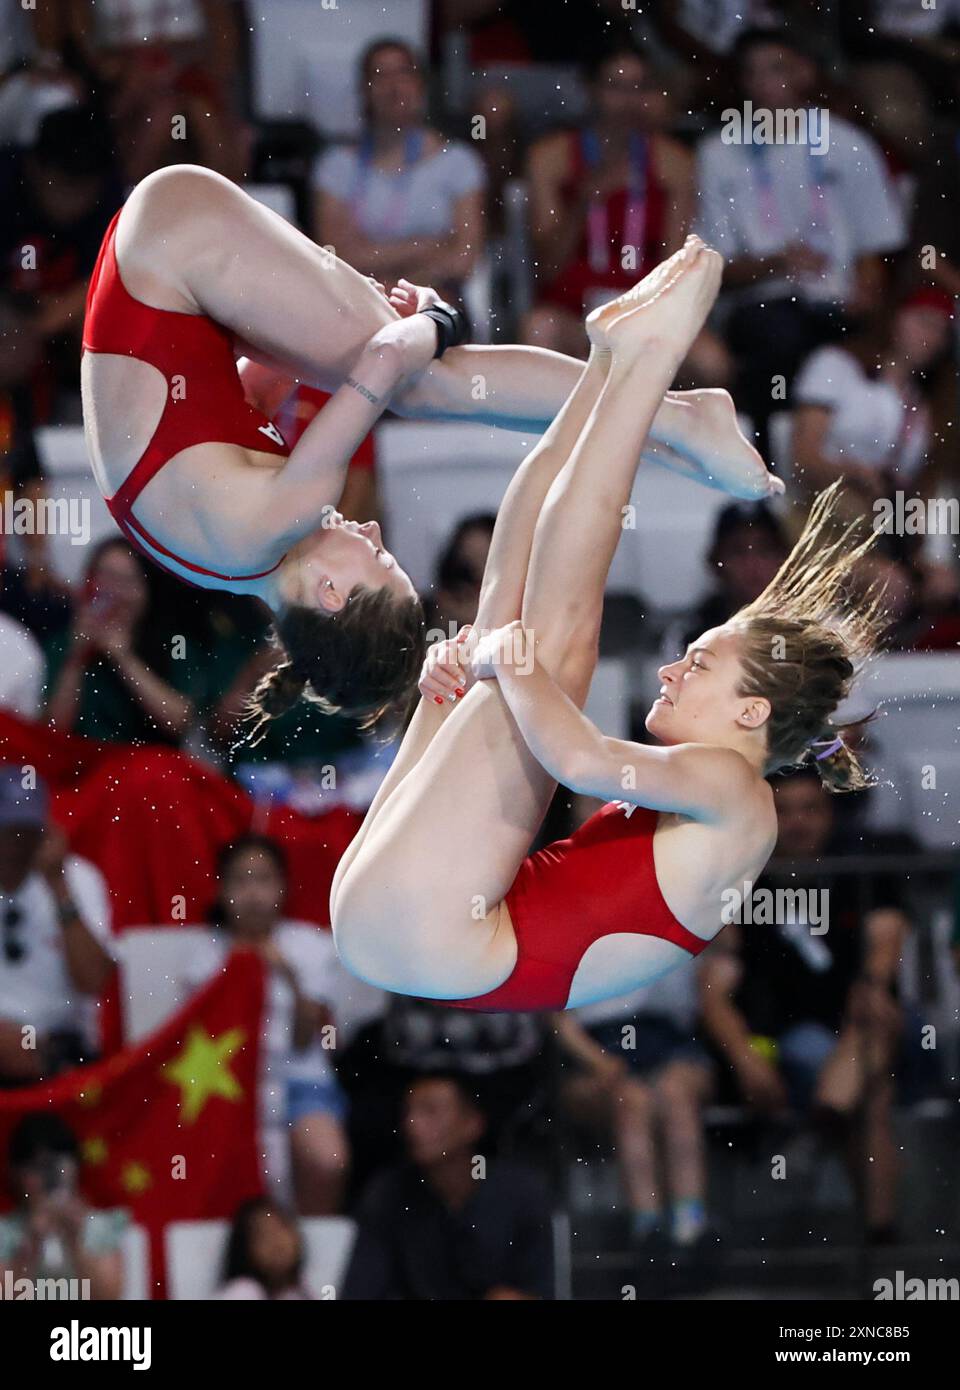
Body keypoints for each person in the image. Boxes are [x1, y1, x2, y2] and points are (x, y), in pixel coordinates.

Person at [329, 238, 881, 1018]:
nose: (669, 672)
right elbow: (573, 755)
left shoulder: (737, 791)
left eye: (697, 665)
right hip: (409, 923)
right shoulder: (729, 788)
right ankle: (615, 368)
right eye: (691, 660)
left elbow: (584, 758)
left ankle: (646, 374)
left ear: (751, 711)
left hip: (433, 930)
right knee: (517, 632)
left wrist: (508, 670)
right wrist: (443, 701)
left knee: (546, 657)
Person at [81, 162, 775, 727]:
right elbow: (242, 390)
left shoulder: (280, 518)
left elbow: (384, 360)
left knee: (419, 383)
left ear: (329, 594)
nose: (376, 528)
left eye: (379, 558)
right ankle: (667, 419)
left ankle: (678, 417)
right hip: (161, 264)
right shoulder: (224, 564)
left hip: (174, 242)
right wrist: (351, 319)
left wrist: (435, 317)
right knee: (405, 368)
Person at [700, 768, 915, 1241]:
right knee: (872, 1097)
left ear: (830, 813)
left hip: (873, 1025)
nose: (798, 822)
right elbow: (714, 991)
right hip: (789, 1039)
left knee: (874, 1018)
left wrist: (873, 984)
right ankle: (882, 1242)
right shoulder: (743, 884)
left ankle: (825, 1117)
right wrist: (746, 1059)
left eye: (810, 809)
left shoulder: (862, 867)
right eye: (784, 811)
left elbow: (886, 942)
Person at [695, 27, 907, 449]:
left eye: (776, 69)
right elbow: (713, 267)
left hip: (837, 301)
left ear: (805, 73)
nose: (763, 84)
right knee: (783, 334)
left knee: (856, 334)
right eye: (752, 73)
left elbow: (876, 245)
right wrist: (777, 263)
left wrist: (867, 285)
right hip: (759, 304)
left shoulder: (848, 145)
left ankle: (827, 456)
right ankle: (770, 459)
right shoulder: (718, 154)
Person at [179, 835, 350, 1216]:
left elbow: (309, 1039)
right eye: (240, 881)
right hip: (228, 1084)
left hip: (300, 1081)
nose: (253, 893)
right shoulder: (204, 957)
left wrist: (286, 974)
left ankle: (314, 1257)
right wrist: (235, 971)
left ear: (283, 887)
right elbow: (193, 1043)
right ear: (222, 890)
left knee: (328, 1159)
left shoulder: (312, 946)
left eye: (263, 879)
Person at [342, 1073, 554, 1299]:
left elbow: (539, 1288)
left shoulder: (522, 1193)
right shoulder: (388, 1193)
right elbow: (362, 1288)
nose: (412, 1125)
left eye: (430, 1111)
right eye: (408, 1113)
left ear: (472, 1123)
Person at [313, 39, 486, 305]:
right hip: (362, 300)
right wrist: (427, 246)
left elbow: (462, 261)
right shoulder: (335, 166)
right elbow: (336, 257)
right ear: (364, 91)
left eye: (404, 73)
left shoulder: (459, 163)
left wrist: (378, 261)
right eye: (380, 75)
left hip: (435, 301)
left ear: (422, 85)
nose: (394, 87)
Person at [556, 962, 713, 1249]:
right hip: (596, 1044)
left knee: (675, 1094)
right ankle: (647, 1229)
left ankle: (691, 1223)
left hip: (669, 1038)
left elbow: (721, 950)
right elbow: (557, 1019)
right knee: (630, 1101)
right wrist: (599, 1061)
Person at [0, 767, 114, 1085]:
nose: (17, 844)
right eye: (8, 830)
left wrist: (58, 886)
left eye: (27, 831)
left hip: (57, 1048)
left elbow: (93, 980)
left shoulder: (78, 878)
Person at [44, 538, 204, 745]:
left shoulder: (176, 643)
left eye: (127, 581)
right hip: (80, 764)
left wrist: (123, 657)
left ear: (147, 590)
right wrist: (77, 657)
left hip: (147, 768)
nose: (114, 592)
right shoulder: (64, 641)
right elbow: (52, 732)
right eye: (106, 577)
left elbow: (179, 722)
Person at [0, 1112, 126, 1299]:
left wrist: (74, 1239)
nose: (48, 1177)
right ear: (15, 1173)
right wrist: (33, 1241)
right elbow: (7, 1294)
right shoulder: (5, 1231)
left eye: (56, 1165)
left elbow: (107, 1295)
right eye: (36, 1167)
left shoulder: (98, 1227)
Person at [217, 1198, 316, 1300]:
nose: (276, 1241)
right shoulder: (243, 1291)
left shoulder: (300, 1291)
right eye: (264, 1235)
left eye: (281, 1227)